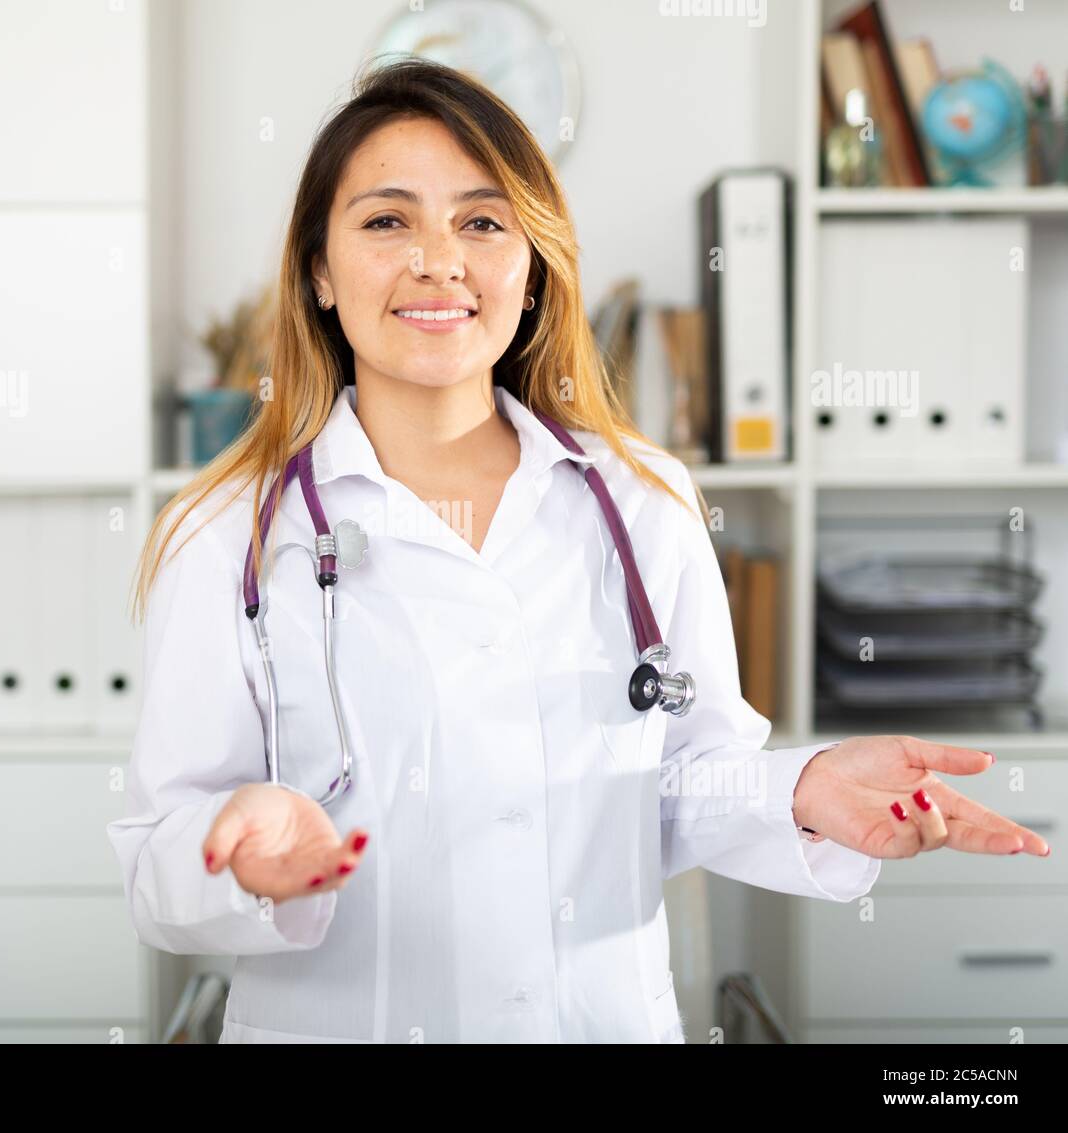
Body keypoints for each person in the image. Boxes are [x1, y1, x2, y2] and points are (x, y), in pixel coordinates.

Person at [107, 57, 1050, 1044]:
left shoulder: (642, 500)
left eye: (482, 221)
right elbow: (154, 866)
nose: (438, 260)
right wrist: (238, 854)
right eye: (387, 221)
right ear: (318, 271)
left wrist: (800, 789)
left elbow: (685, 781)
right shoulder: (227, 533)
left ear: (532, 265)